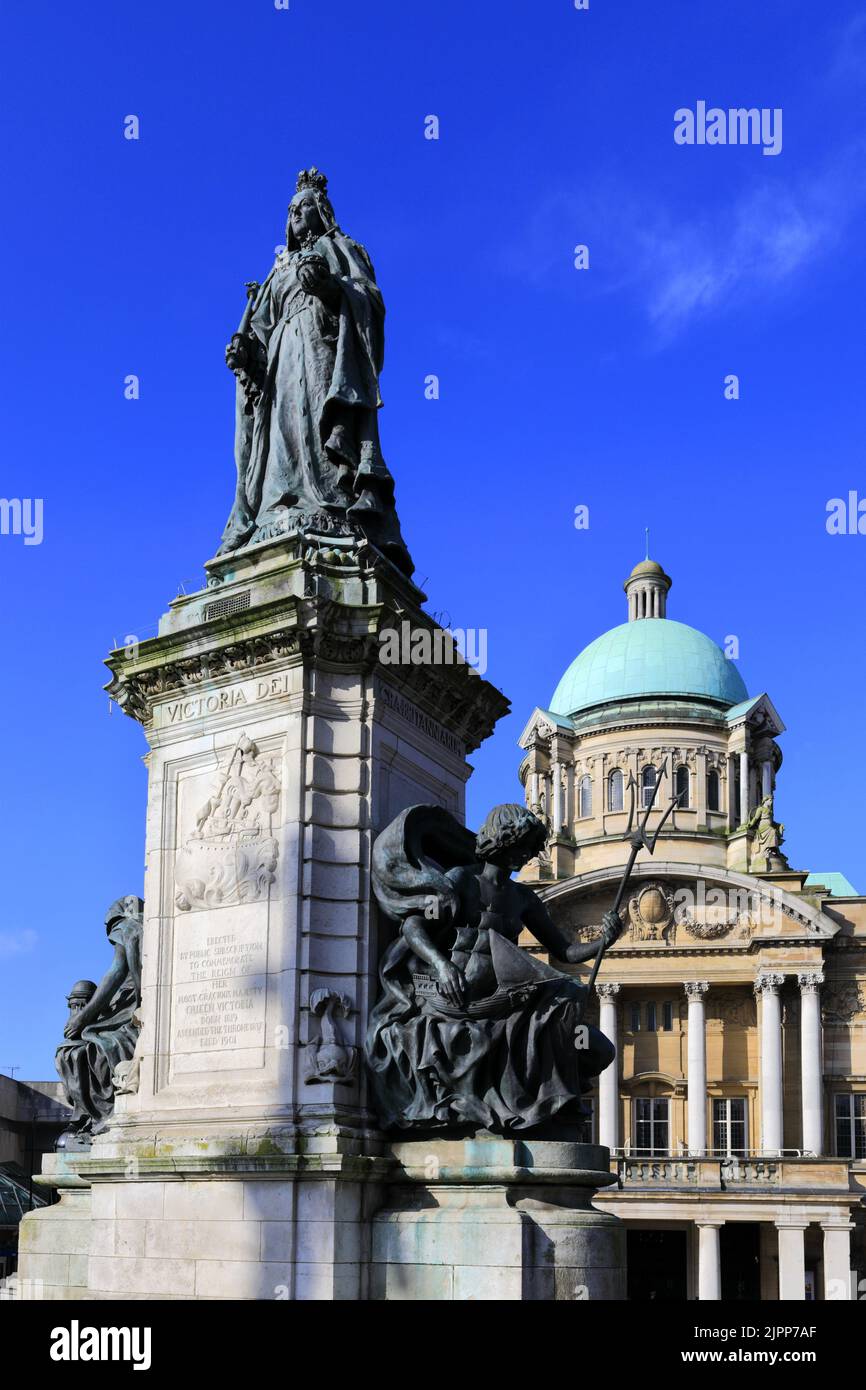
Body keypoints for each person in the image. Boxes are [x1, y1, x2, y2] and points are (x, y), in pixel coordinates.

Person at [367, 803, 623, 1135]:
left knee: (572, 1013)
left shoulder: (523, 899)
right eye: (519, 846)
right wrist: (441, 965)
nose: (524, 856)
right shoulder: (460, 880)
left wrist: (604, 940)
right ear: (500, 841)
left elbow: (565, 951)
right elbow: (414, 929)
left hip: (500, 1000)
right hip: (449, 996)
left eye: (529, 849)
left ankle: (547, 1107)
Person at [218, 167, 413, 576]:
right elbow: (261, 327)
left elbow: (369, 299)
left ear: (320, 210)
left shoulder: (340, 246)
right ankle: (279, 506)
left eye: (303, 207)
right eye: (290, 210)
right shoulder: (278, 271)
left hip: (323, 351)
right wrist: (248, 355)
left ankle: (332, 505)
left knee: (319, 431)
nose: (294, 215)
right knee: (280, 440)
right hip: (281, 361)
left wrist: (330, 287)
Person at [55, 896, 143, 1144]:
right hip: (128, 1008)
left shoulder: (128, 927)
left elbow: (116, 972)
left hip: (132, 1011)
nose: (115, 937)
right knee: (77, 1050)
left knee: (80, 1049)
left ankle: (99, 1116)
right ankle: (91, 1115)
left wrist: (82, 1017)